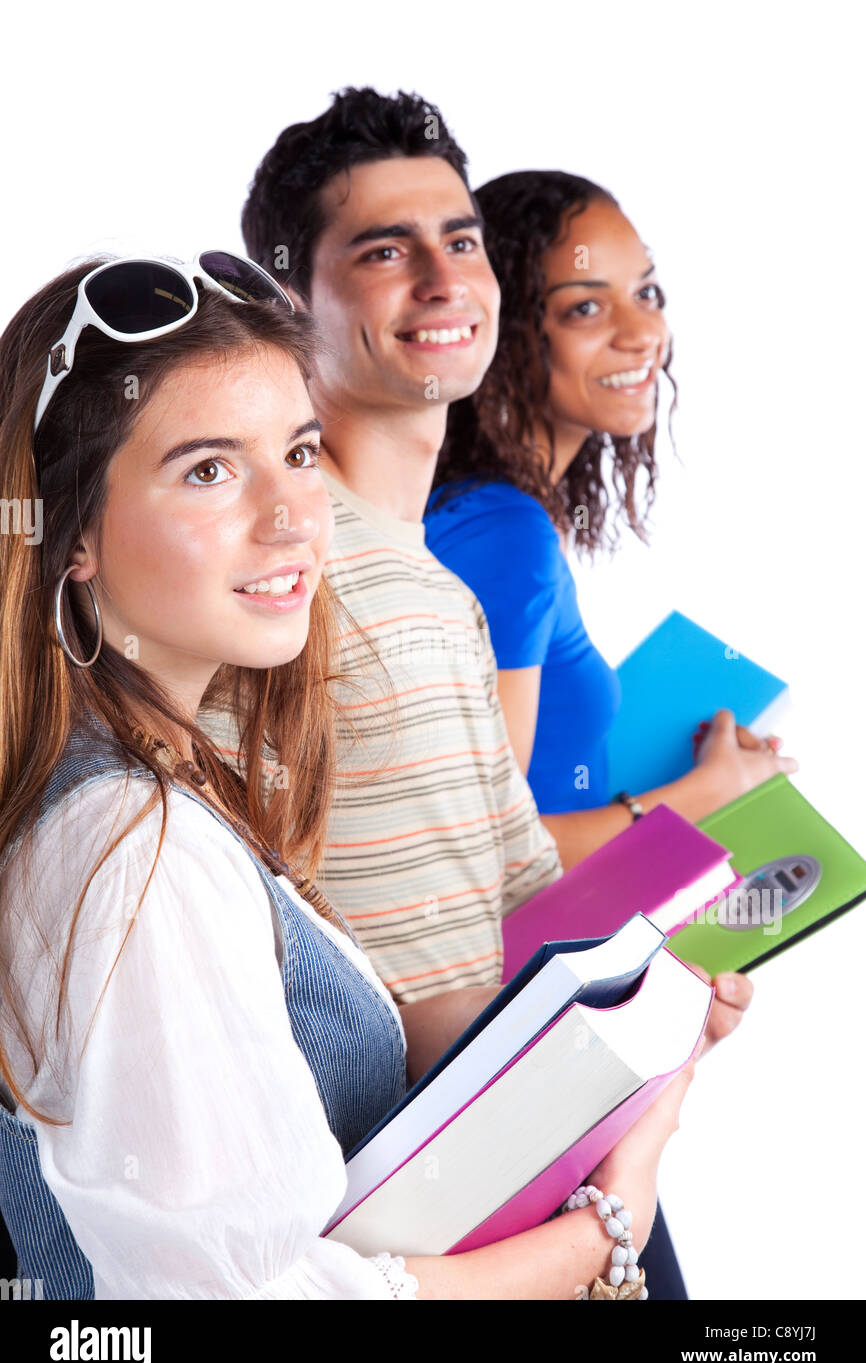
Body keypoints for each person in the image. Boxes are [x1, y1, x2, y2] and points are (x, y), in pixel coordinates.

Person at [0, 252, 697, 1300]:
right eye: (207, 469)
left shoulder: (158, 789)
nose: (294, 516)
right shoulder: (131, 848)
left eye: (298, 452)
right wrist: (602, 1226)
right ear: (75, 531)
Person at [220, 88, 562, 1005]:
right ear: (290, 300)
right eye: (384, 251)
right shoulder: (267, 562)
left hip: (487, 1124)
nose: (444, 279)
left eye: (460, 241)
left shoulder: (444, 594)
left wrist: (659, 989)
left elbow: (523, 894)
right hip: (363, 1139)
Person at [425, 171, 798, 871]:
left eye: (646, 294)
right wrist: (706, 793)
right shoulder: (504, 534)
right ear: (501, 331)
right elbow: (483, 861)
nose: (643, 333)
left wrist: (665, 789)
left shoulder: (498, 515)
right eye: (585, 309)